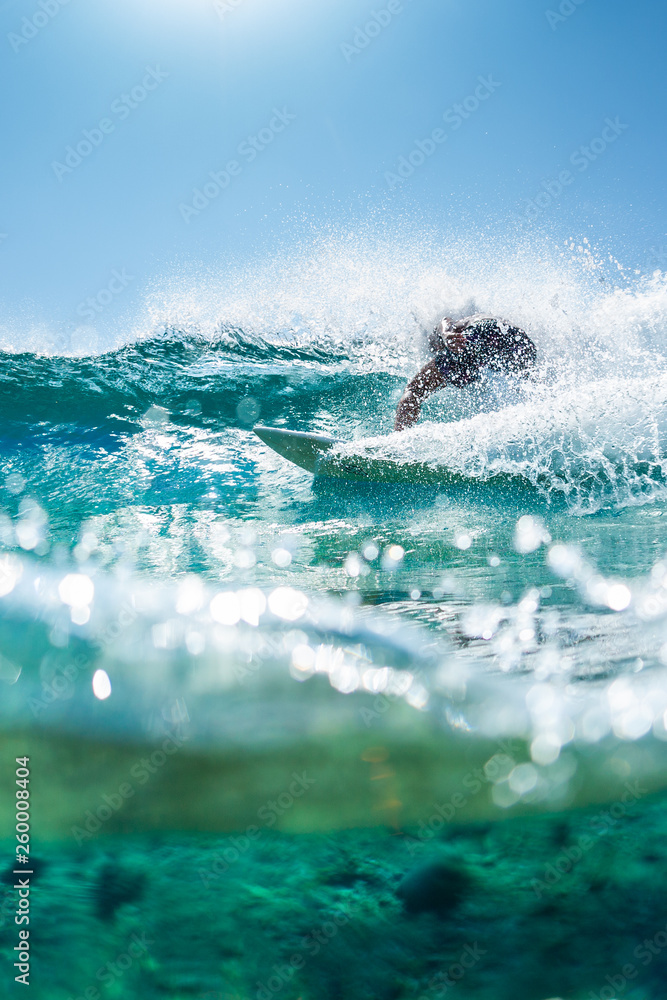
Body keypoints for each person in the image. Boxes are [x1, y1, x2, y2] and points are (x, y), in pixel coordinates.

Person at [394, 315, 537, 431]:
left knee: (414, 390)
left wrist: (445, 334)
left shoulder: (470, 321)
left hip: (482, 332)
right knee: (524, 391)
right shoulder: (499, 320)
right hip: (520, 342)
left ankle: (399, 440)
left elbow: (445, 320)